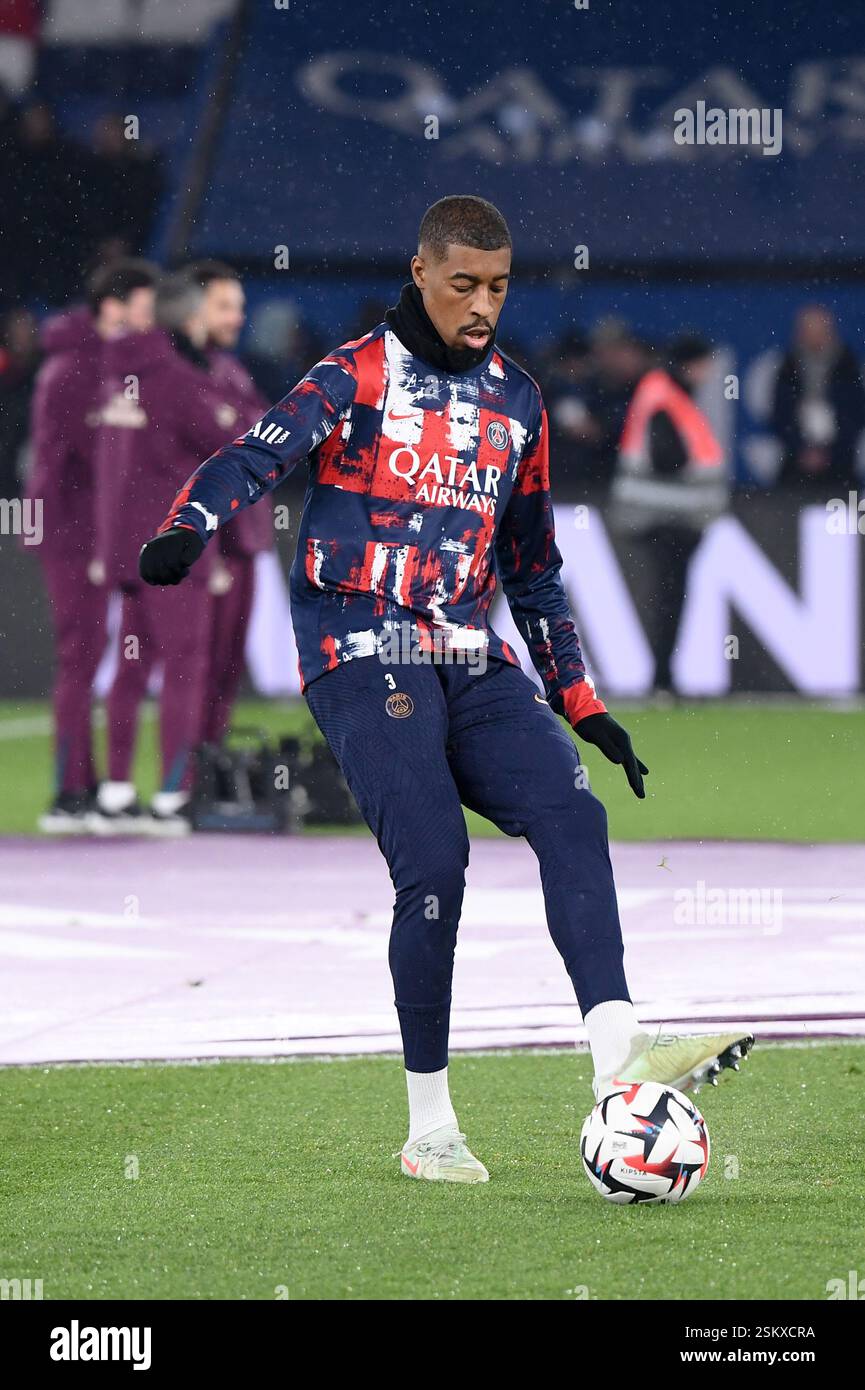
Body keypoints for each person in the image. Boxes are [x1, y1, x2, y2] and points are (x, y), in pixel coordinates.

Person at [139, 197, 752, 1182]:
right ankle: (429, 1127)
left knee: (570, 811)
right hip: (358, 643)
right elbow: (259, 452)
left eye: (498, 287)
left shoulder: (520, 402)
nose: (481, 304)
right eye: (463, 283)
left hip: (467, 647)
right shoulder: (355, 372)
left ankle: (618, 1066)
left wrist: (580, 698)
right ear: (421, 273)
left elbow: (536, 565)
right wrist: (190, 522)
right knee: (435, 867)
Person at [90, 271, 241, 832]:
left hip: (127, 549)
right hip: (174, 551)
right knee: (184, 669)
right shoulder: (180, 379)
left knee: (129, 669)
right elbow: (225, 445)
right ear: (187, 320)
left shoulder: (114, 371)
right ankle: (173, 797)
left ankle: (114, 793)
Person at [27, 259, 159, 833]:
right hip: (74, 536)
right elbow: (52, 464)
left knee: (118, 654)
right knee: (80, 658)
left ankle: (102, 790)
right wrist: (50, 533)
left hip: (113, 534)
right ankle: (68, 793)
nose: (151, 321)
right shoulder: (69, 370)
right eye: (143, 309)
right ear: (114, 307)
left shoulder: (115, 364)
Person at [610, 333, 728, 697]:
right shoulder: (667, 397)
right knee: (668, 598)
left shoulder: (663, 392)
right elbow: (667, 458)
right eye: (704, 363)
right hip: (664, 519)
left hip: (667, 519)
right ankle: (662, 678)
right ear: (689, 364)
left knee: (667, 597)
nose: (709, 371)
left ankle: (663, 676)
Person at [186, 260, 273, 745]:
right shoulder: (180, 374)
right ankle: (185, 780)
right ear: (193, 309)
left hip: (244, 538)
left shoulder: (233, 371)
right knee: (196, 666)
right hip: (211, 540)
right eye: (224, 306)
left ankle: (207, 775)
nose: (237, 317)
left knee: (226, 666)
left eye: (238, 306)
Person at [771, 304, 865, 493]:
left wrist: (832, 452)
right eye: (808, 331)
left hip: (840, 463)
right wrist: (801, 449)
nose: (814, 337)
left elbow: (855, 413)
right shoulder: (788, 367)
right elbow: (780, 414)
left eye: (819, 331)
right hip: (796, 461)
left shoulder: (847, 365)